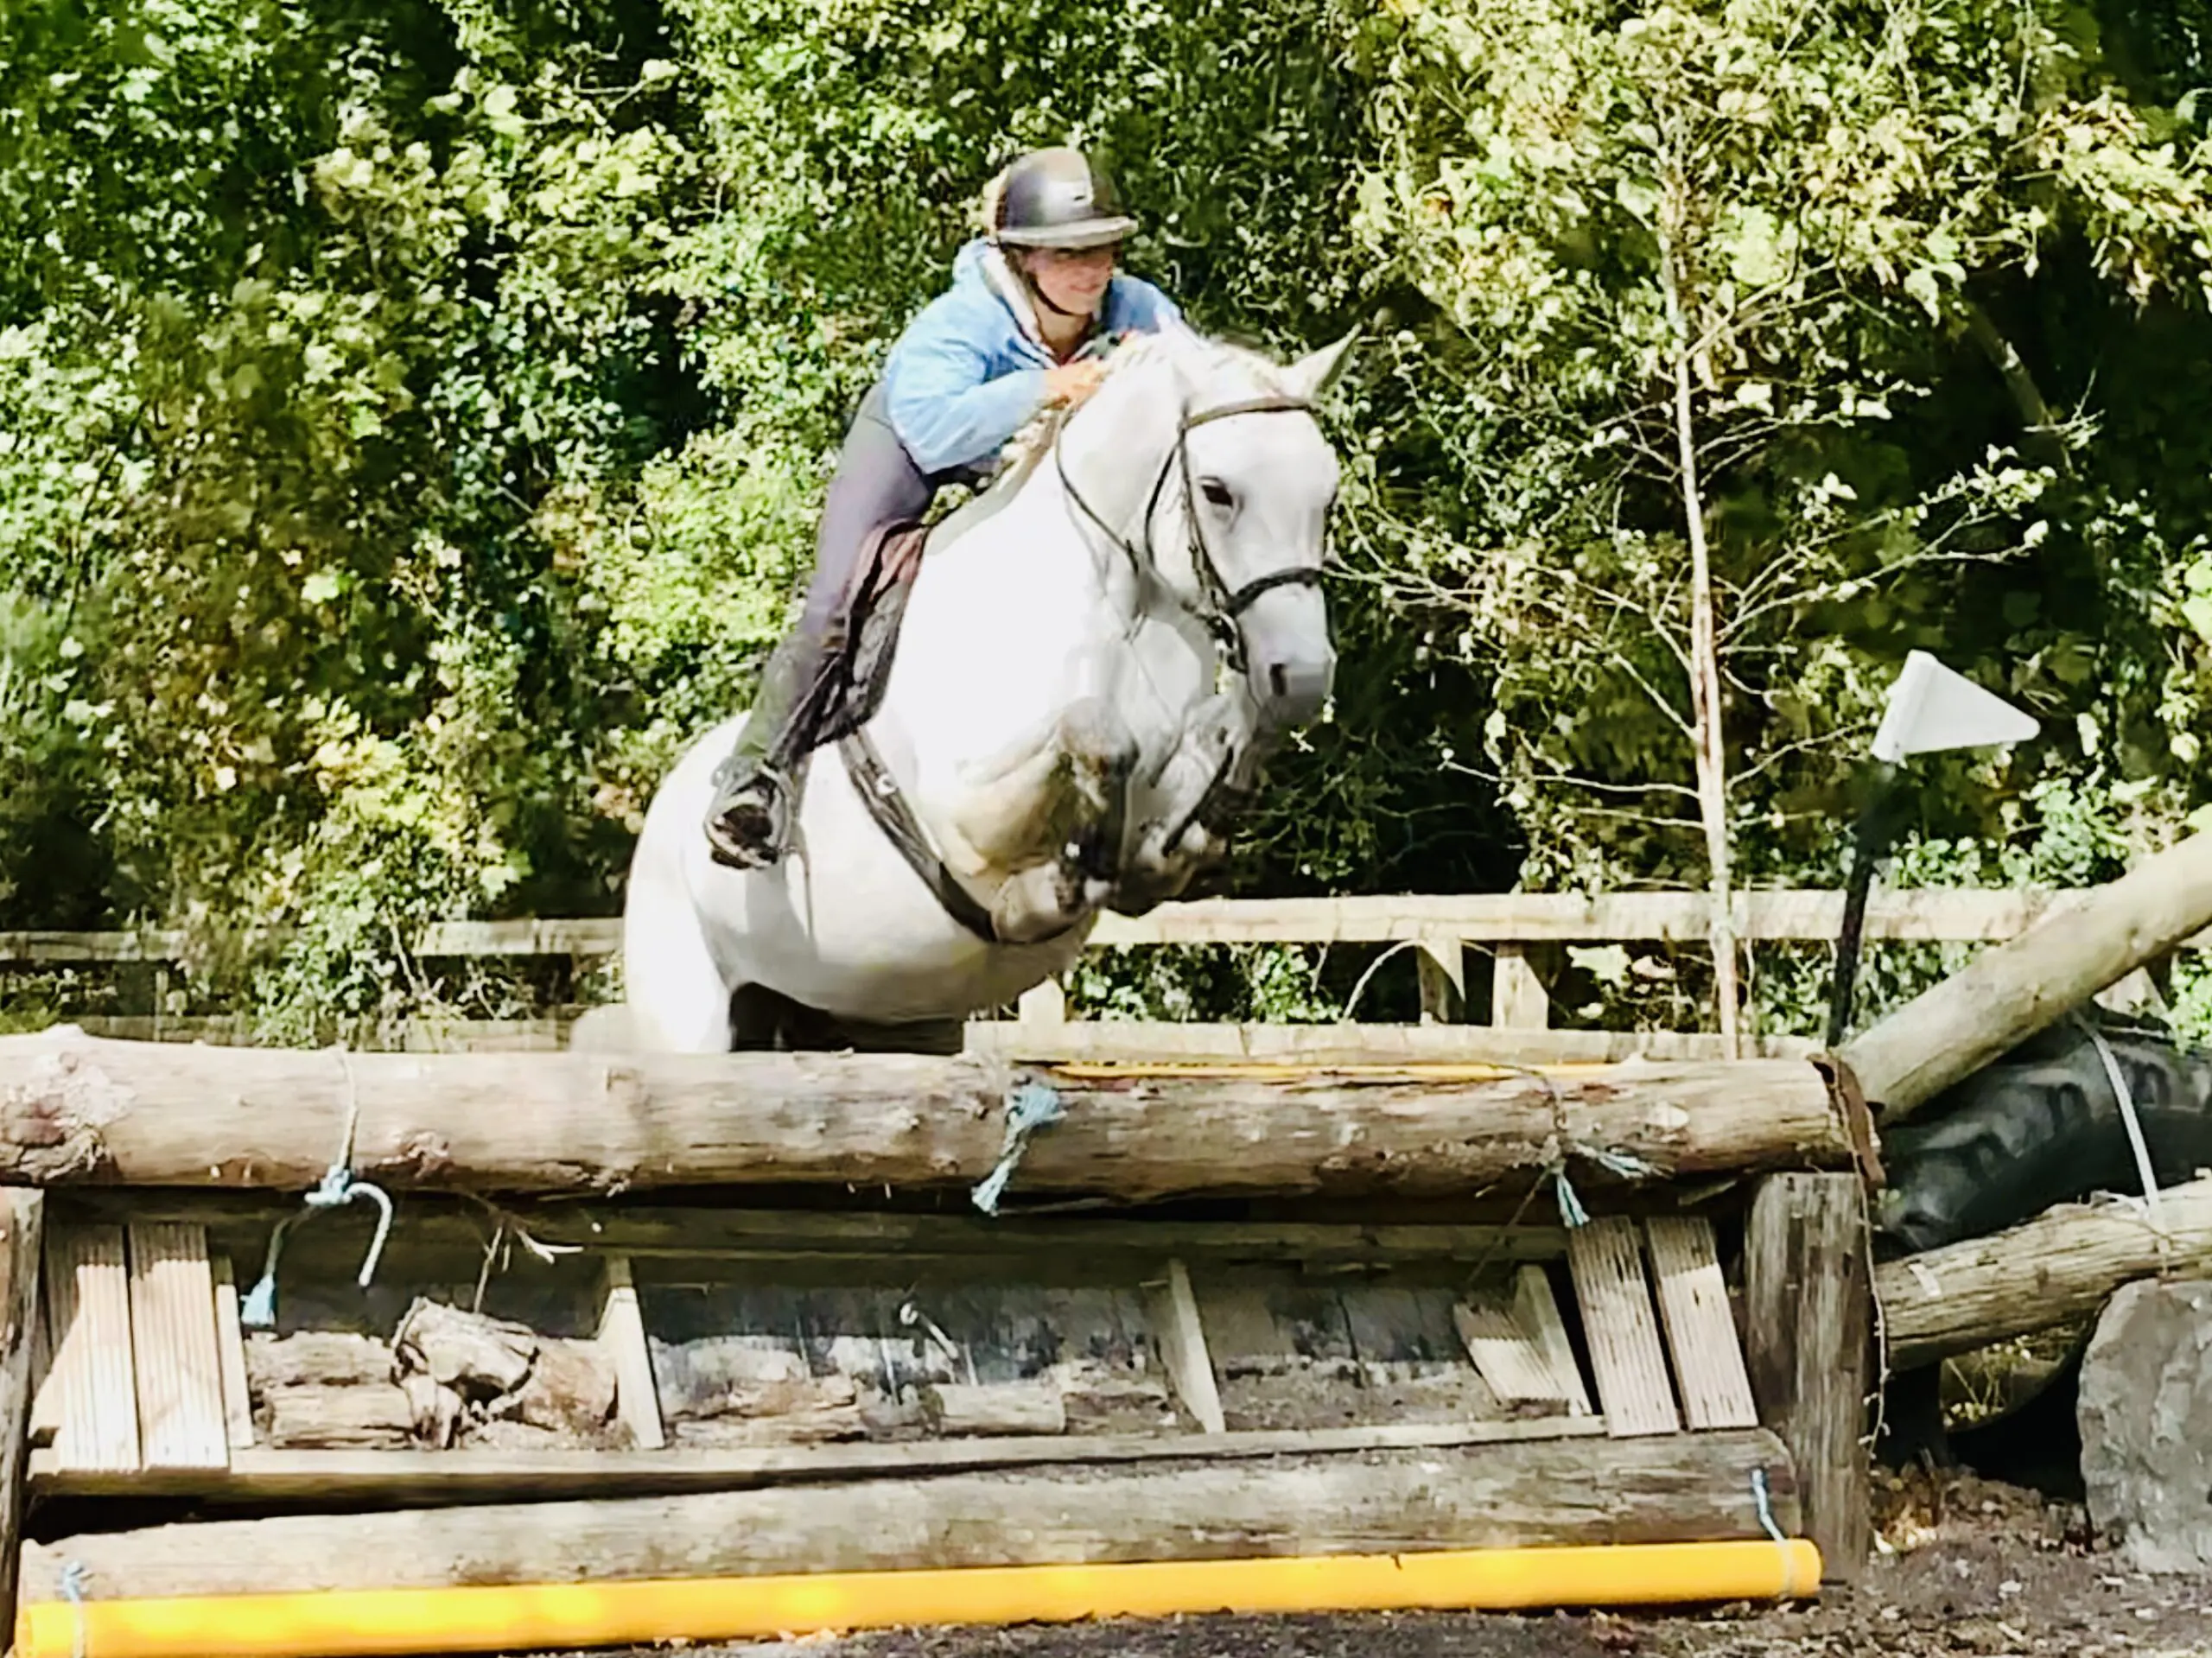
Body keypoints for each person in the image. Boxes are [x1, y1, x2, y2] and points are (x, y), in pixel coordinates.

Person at [702, 146, 1186, 868]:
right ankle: (753, 778)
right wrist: (1050, 388)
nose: (1090, 269)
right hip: (914, 435)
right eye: (1066, 254)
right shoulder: (963, 320)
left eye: (1102, 249)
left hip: (1025, 458)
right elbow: (932, 431)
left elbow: (1197, 385)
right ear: (1023, 258)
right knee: (839, 595)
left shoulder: (1140, 307)